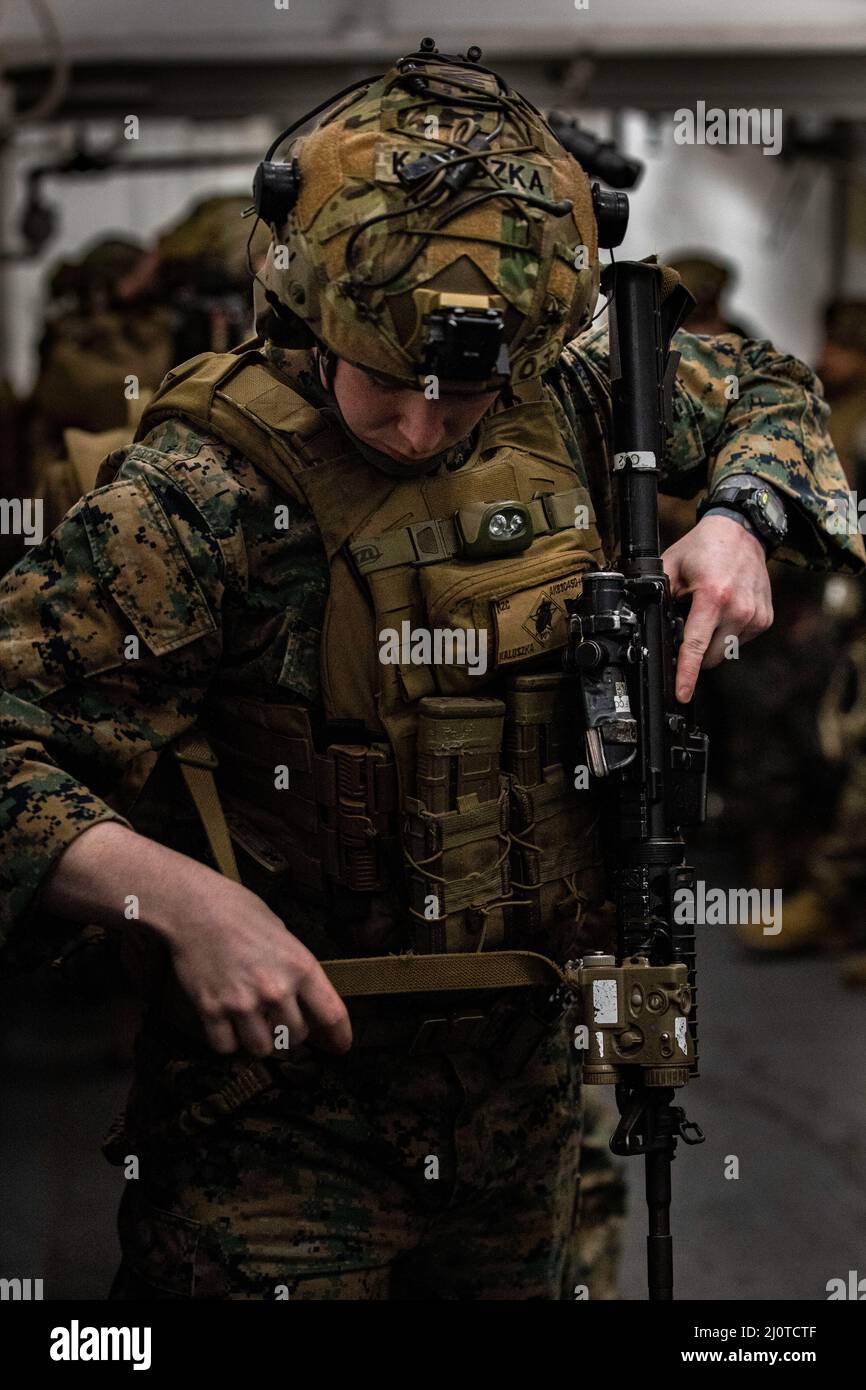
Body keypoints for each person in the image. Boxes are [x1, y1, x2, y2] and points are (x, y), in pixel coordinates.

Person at [0, 42, 861, 1301]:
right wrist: (179, 901)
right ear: (315, 318)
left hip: (526, 1110)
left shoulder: (573, 391)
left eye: (458, 401)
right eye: (382, 387)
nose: (418, 430)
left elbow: (767, 393)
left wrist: (738, 512)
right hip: (278, 1130)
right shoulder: (202, 489)